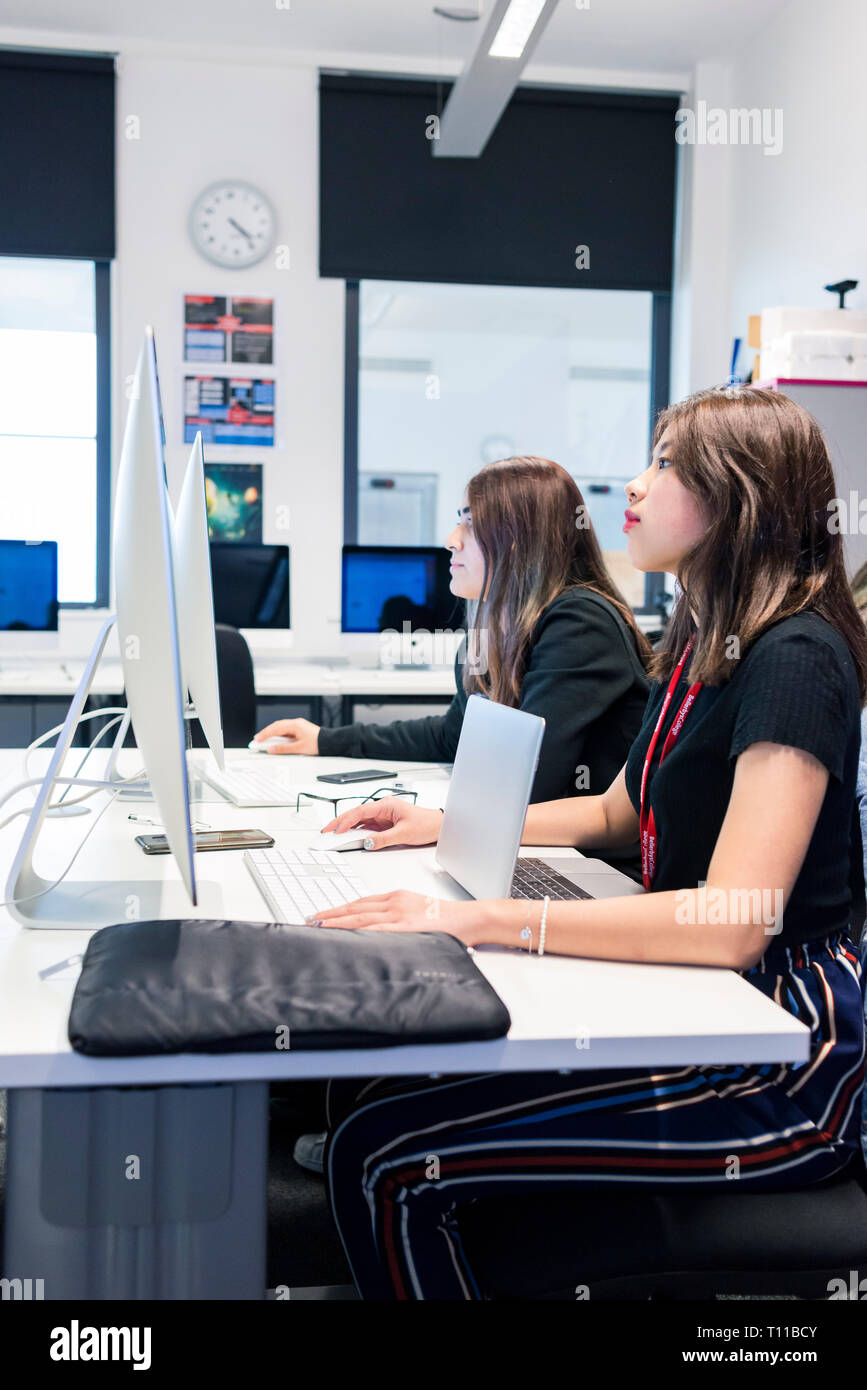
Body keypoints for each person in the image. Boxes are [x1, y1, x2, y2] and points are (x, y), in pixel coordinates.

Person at [312, 386, 867, 1300]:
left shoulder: (793, 656)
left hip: (783, 1054)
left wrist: (491, 921)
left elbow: (734, 923)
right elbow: (617, 810)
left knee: (386, 1158)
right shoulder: (699, 639)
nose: (634, 488)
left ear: (739, 500)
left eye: (666, 466)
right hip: (707, 1006)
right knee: (385, 1107)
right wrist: (443, 828)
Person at [254, 456, 652, 812]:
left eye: (471, 523)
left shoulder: (581, 622)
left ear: (521, 539)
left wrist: (435, 822)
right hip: (533, 847)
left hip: (591, 864)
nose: (451, 540)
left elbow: (529, 782)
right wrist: (326, 739)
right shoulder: (494, 626)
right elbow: (453, 736)